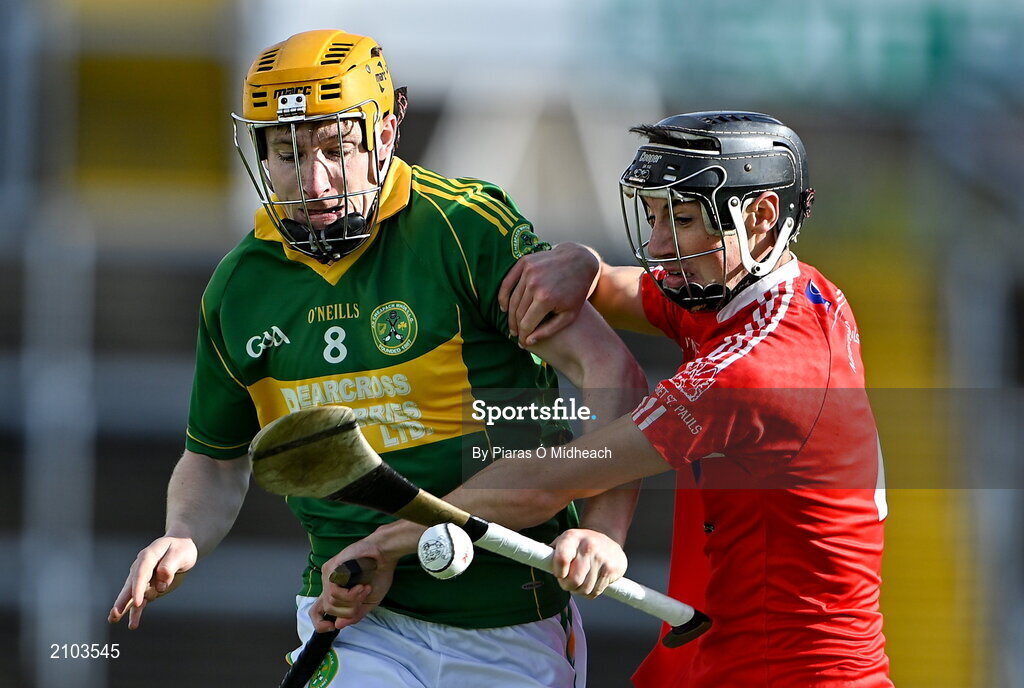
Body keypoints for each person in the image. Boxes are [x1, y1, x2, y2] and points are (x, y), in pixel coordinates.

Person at [107, 29, 648, 688]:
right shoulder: (239, 288)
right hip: (353, 619)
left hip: (506, 620)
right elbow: (215, 459)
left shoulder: (462, 229)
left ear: (388, 130)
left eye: (336, 149)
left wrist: (604, 530)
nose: (312, 181)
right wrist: (183, 534)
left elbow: (611, 371)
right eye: (286, 151)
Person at [328, 112, 893, 687]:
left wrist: (390, 541)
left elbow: (563, 474)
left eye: (682, 220)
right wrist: (586, 262)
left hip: (791, 673)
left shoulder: (754, 373)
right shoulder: (775, 294)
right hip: (722, 650)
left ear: (762, 217)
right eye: (653, 217)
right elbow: (631, 292)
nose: (656, 245)